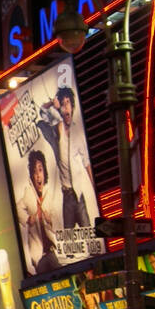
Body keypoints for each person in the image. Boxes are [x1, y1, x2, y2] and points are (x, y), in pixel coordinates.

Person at [35, 86, 95, 230]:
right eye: (63, 104)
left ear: (73, 107)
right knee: (68, 242)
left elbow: (87, 162)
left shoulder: (77, 134)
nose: (66, 107)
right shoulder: (57, 131)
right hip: (66, 195)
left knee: (90, 235)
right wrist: (52, 105)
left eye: (68, 103)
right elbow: (43, 112)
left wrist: (94, 187)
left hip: (78, 195)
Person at [18, 149, 61, 274]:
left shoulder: (49, 194)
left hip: (52, 251)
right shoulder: (29, 193)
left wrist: (50, 220)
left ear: (44, 172)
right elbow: (17, 208)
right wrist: (27, 219)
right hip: (38, 255)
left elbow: (58, 223)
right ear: (31, 176)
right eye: (34, 171)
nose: (38, 175)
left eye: (40, 170)